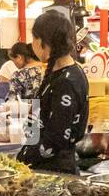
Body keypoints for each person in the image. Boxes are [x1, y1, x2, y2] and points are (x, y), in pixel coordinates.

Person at [16, 11, 86, 174]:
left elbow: (55, 139)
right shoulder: (60, 72)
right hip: (44, 168)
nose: (31, 43)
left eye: (33, 38)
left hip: (54, 172)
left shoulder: (67, 81)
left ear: (43, 42)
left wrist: (23, 160)